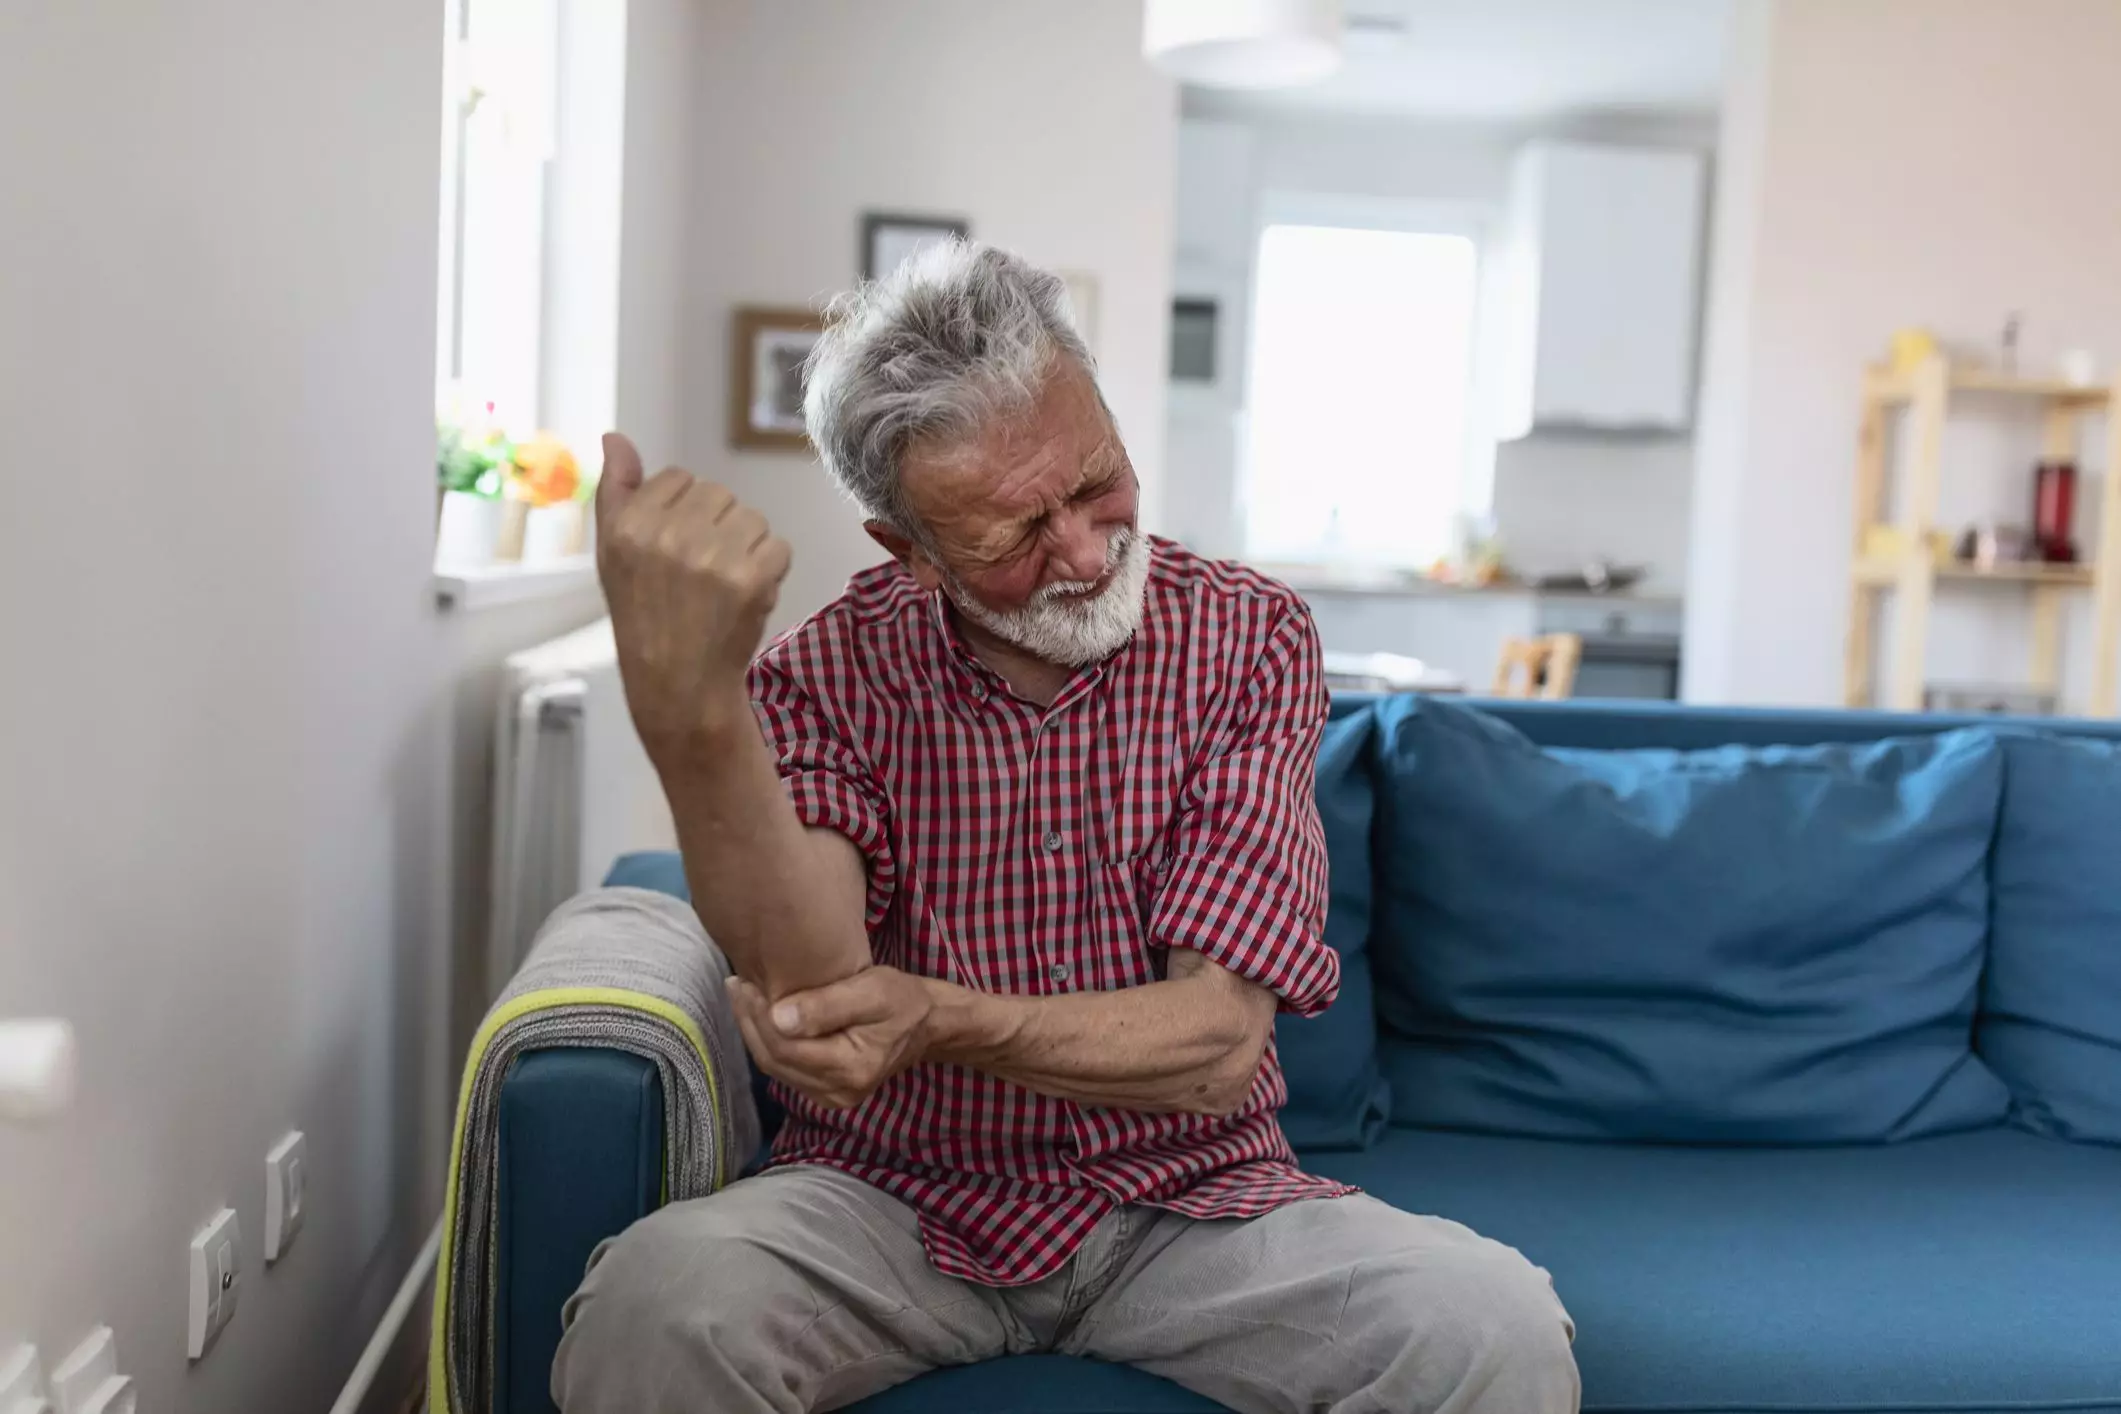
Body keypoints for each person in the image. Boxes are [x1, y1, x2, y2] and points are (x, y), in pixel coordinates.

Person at [554, 242, 1578, 1413]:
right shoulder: (826, 670)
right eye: (1011, 537)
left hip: (1192, 1205)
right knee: (654, 1306)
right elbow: (812, 984)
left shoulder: (1249, 638)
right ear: (910, 549)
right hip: (890, 1198)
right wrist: (695, 719)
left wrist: (938, 1016)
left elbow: (1215, 1046)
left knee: (1490, 1325)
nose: (1087, 555)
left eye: (1097, 485)